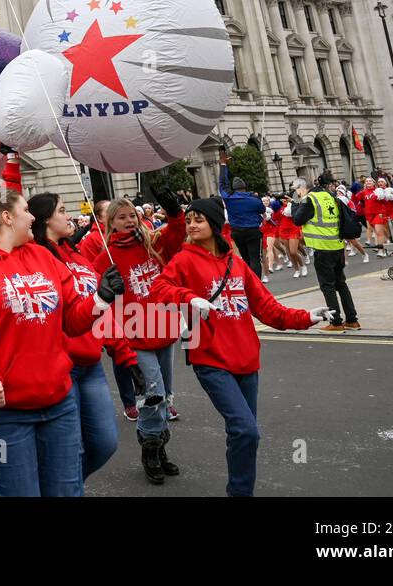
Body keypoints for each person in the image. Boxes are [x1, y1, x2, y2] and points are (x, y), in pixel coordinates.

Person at [0, 187, 122, 497]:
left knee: (67, 492)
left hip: (58, 404)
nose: (32, 217)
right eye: (26, 210)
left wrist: (101, 298)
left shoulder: (42, 255)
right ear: (6, 217)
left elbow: (72, 319)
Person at [152, 198, 333, 496]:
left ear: (214, 223)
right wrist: (188, 298)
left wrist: (307, 317)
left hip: (247, 361)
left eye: (198, 219)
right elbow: (159, 290)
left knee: (243, 435)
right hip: (210, 361)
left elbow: (268, 309)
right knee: (246, 430)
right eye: (189, 221)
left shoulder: (235, 263)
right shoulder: (184, 260)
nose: (192, 226)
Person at [29, 192, 143, 481]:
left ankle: (63, 486)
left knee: (105, 443)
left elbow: (99, 310)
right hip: (62, 366)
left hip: (91, 365)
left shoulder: (76, 254)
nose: (70, 216)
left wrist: (126, 355)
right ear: (43, 220)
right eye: (63, 210)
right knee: (71, 449)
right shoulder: (36, 256)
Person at [93, 193, 186, 483]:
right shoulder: (104, 258)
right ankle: (150, 450)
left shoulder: (153, 243)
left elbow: (176, 234)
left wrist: (174, 210)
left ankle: (159, 448)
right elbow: (97, 303)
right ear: (111, 224)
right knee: (152, 395)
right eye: (122, 217)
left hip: (164, 330)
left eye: (132, 215)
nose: (129, 221)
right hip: (135, 336)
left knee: (165, 395)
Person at [291, 173, 360, 332]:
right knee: (341, 284)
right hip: (337, 245)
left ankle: (336, 322)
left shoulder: (310, 199)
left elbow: (297, 220)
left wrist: (295, 202)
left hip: (322, 248)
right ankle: (352, 320)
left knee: (328, 286)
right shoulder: (331, 196)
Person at [219, 157, 267, 279]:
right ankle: (257, 283)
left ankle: (249, 282)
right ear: (244, 187)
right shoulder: (254, 199)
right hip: (253, 231)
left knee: (245, 258)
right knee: (255, 258)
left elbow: (222, 184)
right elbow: (262, 210)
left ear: (234, 188)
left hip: (237, 232)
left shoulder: (229, 198)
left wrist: (223, 165)